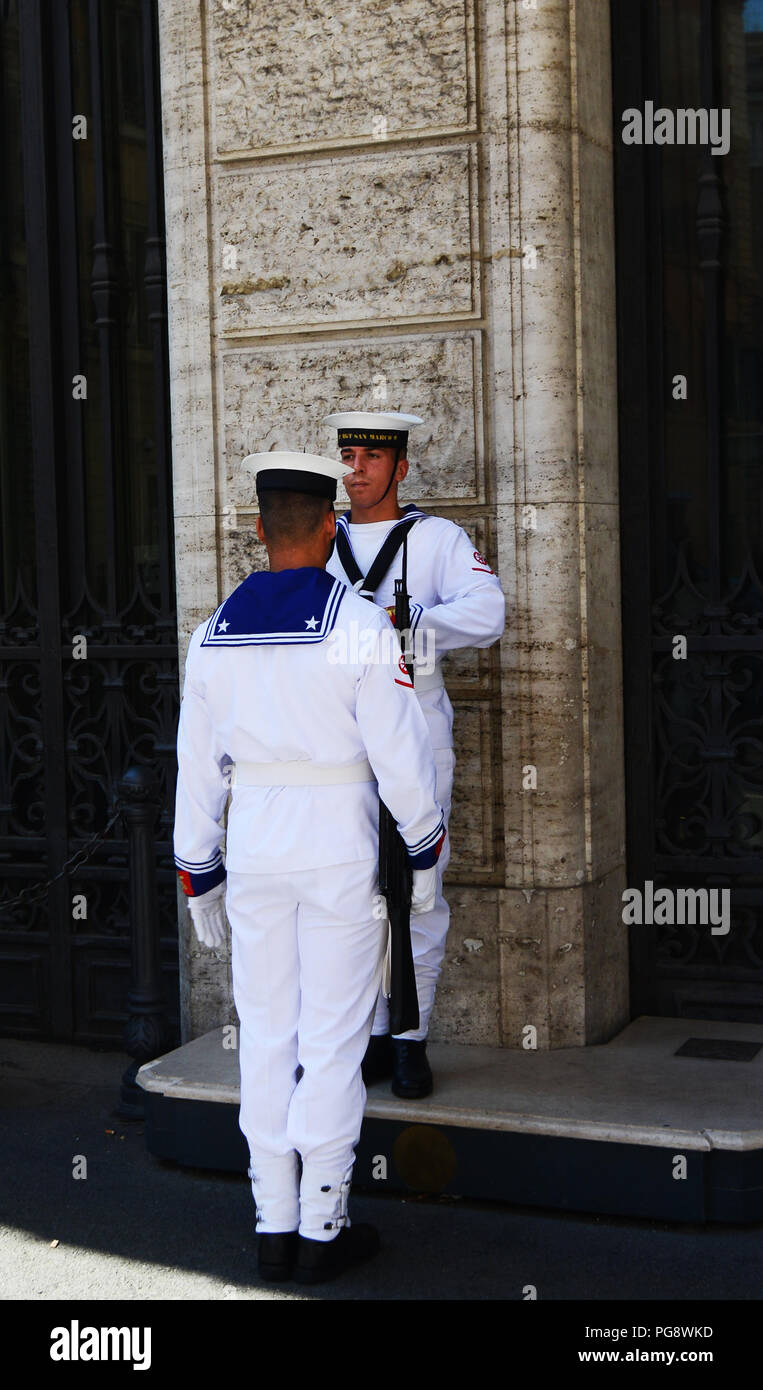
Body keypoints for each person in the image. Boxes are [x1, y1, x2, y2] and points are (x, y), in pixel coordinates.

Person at [172, 451, 444, 1285]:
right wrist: (426, 853)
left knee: (265, 1035)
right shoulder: (362, 627)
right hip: (337, 850)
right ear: (331, 527)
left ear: (258, 531)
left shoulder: (211, 633)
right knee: (329, 1042)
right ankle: (324, 1222)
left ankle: (271, 1220)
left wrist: (198, 868)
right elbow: (401, 759)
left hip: (253, 848)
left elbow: (194, 767)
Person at [324, 411, 505, 1099]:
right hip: (336, 731)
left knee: (418, 888)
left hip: (414, 718)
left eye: (372, 456)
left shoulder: (435, 540)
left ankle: (409, 1039)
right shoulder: (319, 534)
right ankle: (370, 1032)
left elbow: (488, 613)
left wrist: (417, 623)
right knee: (352, 890)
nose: (357, 469)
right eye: (348, 455)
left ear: (400, 468)